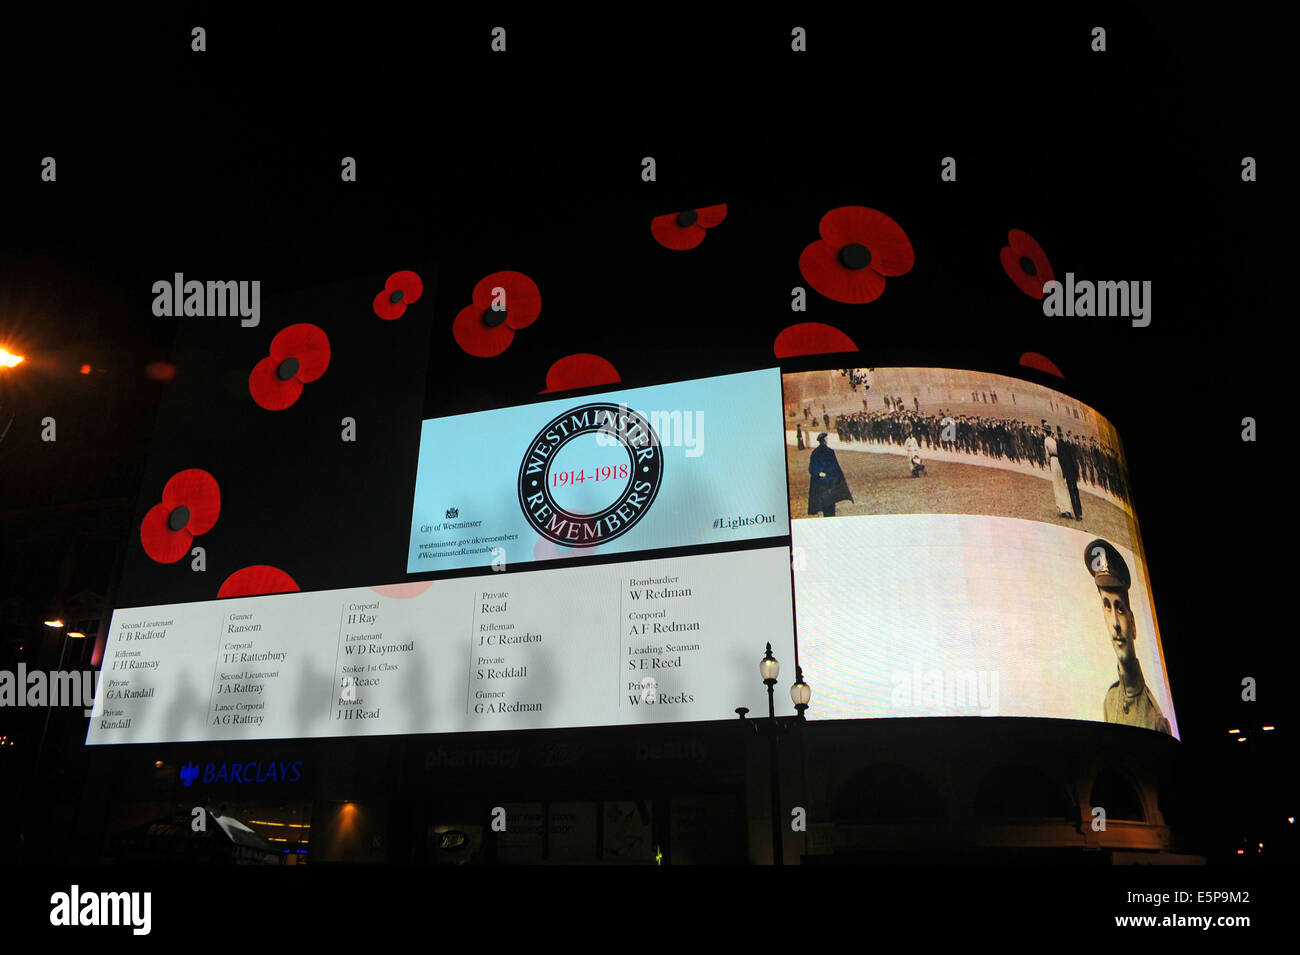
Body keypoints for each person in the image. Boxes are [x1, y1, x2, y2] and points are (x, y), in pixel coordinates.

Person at [1085, 539, 1172, 735]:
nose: (1115, 622)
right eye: (1107, 606)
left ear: (1133, 625)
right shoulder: (1111, 699)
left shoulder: (1155, 719)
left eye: (1120, 609)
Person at [807, 433, 853, 517]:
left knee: (825, 505)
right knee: (830, 506)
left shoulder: (815, 452)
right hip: (829, 483)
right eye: (826, 439)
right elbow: (834, 467)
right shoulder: (829, 452)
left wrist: (818, 473)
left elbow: (811, 468)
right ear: (824, 441)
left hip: (821, 484)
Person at [1044, 426, 1073, 517]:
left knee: (1056, 484)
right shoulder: (1054, 440)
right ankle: (1068, 508)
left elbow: (1047, 454)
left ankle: (1062, 509)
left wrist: (1048, 463)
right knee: (1063, 485)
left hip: (1053, 460)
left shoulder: (1046, 440)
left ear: (1045, 432)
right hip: (1059, 461)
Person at [1058, 426, 1083, 520]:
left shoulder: (1072, 446)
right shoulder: (1064, 446)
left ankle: (1079, 513)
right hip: (1069, 472)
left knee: (1076, 492)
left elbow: (1075, 461)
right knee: (1072, 493)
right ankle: (1077, 514)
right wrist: (1065, 473)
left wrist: (1077, 472)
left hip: (1073, 472)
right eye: (1067, 436)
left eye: (1070, 436)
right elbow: (1062, 461)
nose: (1069, 437)